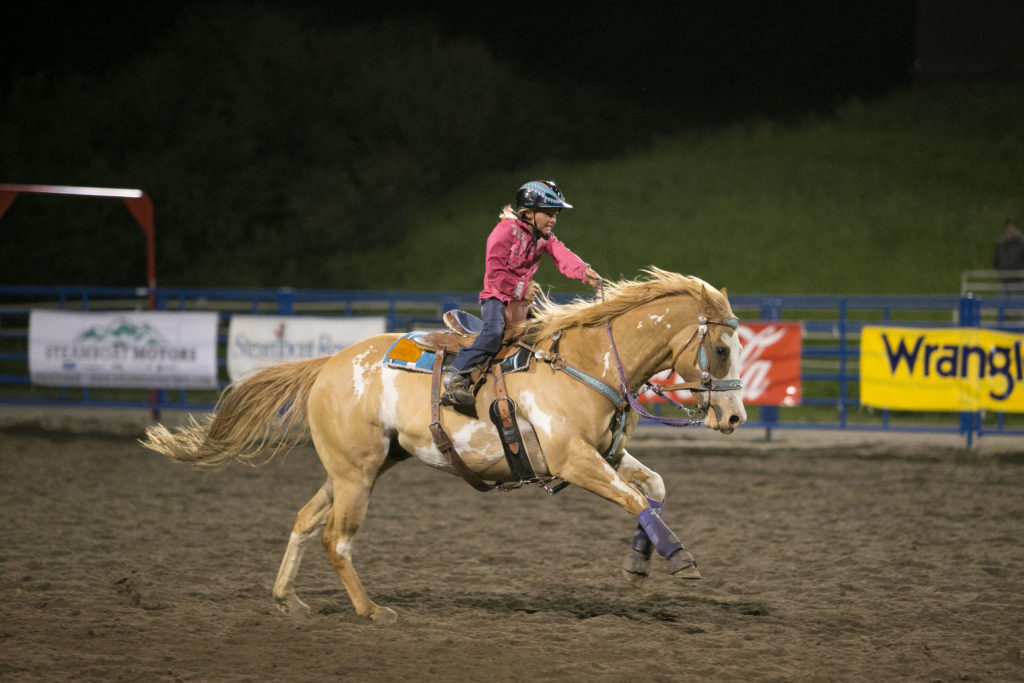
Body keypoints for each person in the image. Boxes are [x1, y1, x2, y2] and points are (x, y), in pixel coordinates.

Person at [441, 180, 602, 407]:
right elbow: (495, 272)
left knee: (547, 333)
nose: (553, 220)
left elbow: (562, 254)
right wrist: (521, 288)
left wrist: (584, 271)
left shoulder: (544, 238)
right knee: (493, 333)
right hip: (496, 298)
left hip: (521, 302)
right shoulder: (504, 232)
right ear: (528, 213)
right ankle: (458, 375)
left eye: (555, 215)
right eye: (548, 214)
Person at [992, 217, 1024, 294]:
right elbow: (995, 259)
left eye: (1012, 226)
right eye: (1008, 226)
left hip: (1017, 281)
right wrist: (999, 272)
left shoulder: (1021, 243)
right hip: (1003, 280)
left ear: (1016, 228)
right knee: (1001, 300)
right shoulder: (1001, 243)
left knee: (1016, 301)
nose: (1010, 229)